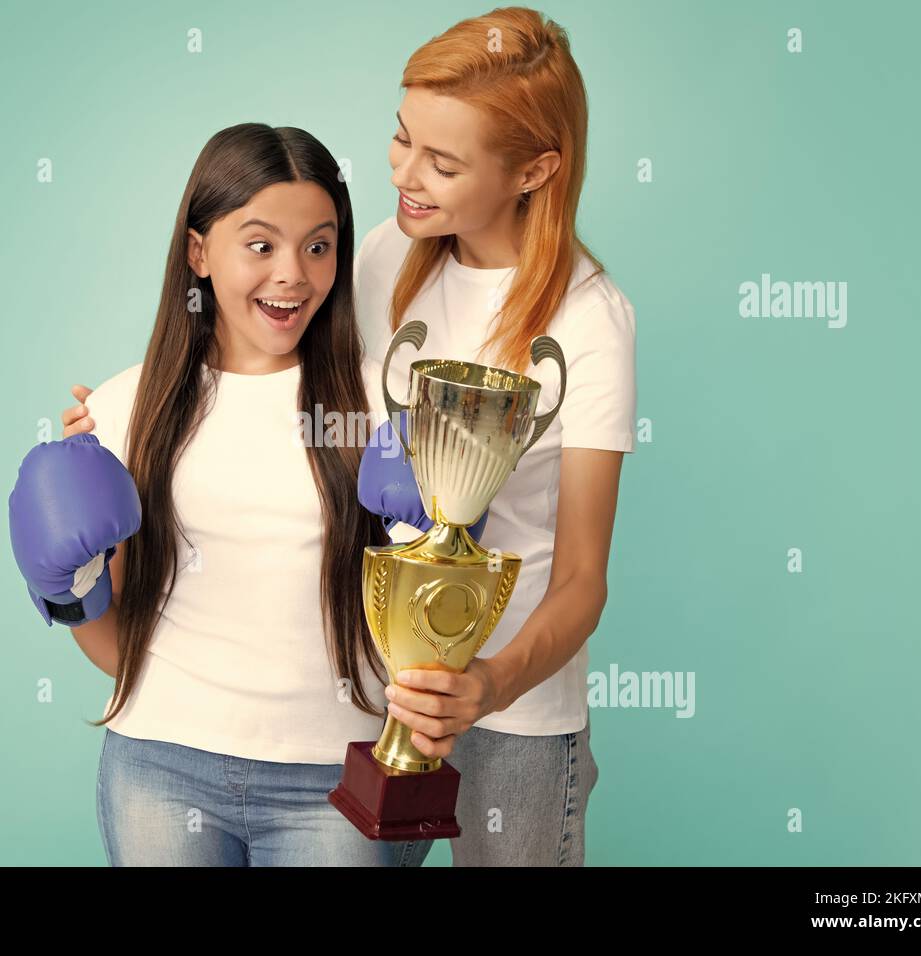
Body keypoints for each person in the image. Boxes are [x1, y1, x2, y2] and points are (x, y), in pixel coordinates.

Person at [10, 122, 427, 867]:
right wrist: (70, 588)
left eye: (319, 245)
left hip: (335, 776)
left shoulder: (378, 406)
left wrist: (433, 529)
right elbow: (115, 647)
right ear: (200, 252)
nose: (293, 274)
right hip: (160, 770)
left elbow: (422, 633)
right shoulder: (123, 407)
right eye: (260, 245)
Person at [350, 6, 637, 867]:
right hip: (370, 697)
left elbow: (585, 578)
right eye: (401, 140)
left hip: (518, 718)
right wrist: (122, 410)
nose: (405, 174)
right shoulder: (374, 261)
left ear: (534, 170)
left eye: (443, 162)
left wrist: (486, 685)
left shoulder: (589, 321)